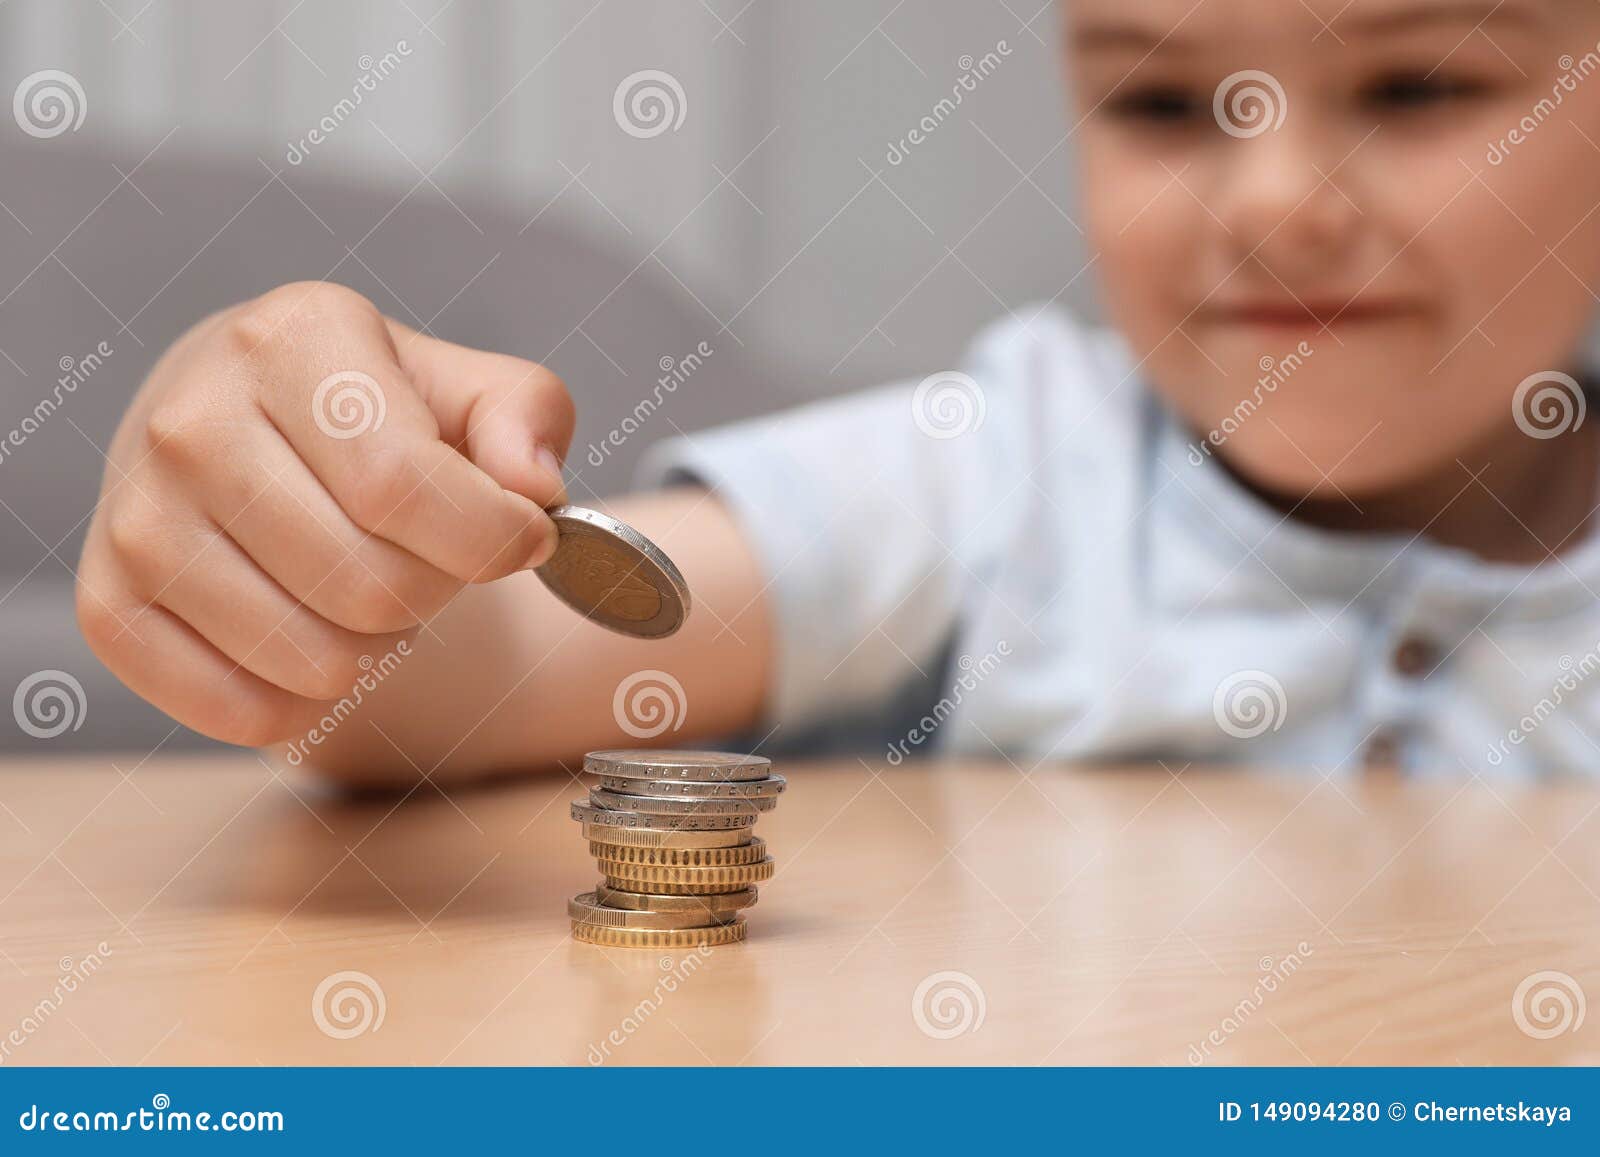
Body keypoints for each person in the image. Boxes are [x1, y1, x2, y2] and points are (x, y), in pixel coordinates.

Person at [76, 0, 1600, 783]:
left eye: (1418, 84)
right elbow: (463, 681)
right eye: (1159, 100)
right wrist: (309, 531)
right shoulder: (1003, 467)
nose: (1272, 202)